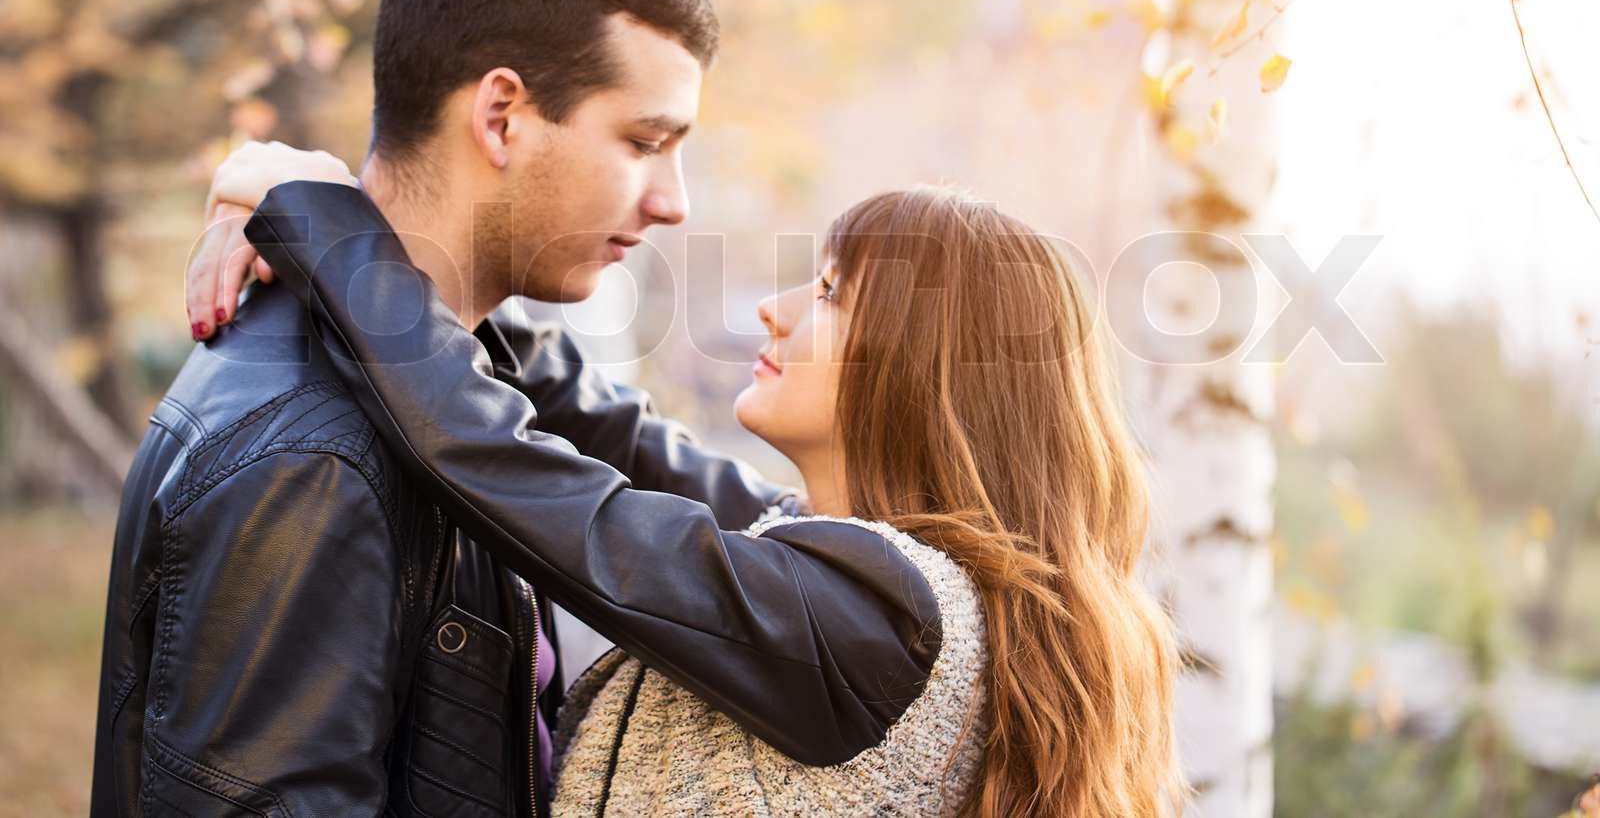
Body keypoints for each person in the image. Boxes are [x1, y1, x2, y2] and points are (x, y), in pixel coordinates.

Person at [90, 0, 796, 818]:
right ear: (500, 115)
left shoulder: (465, 378)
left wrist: (323, 219)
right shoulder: (312, 453)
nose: (674, 200)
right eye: (643, 141)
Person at [195, 145, 1186, 815]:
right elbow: (599, 421)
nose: (778, 310)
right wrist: (333, 196)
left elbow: (512, 469)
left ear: (924, 367)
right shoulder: (847, 581)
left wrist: (319, 218)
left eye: (832, 291)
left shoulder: (873, 619)